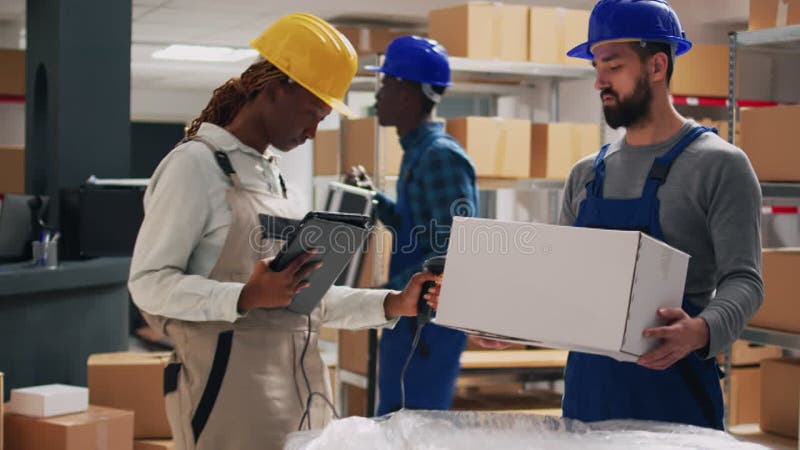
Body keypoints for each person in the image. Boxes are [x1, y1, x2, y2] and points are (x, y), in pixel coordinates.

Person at [128, 14, 442, 450]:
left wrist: (392, 304)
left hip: (302, 398)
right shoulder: (194, 167)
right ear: (275, 89)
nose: (314, 132)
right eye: (313, 112)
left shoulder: (279, 184)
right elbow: (148, 285)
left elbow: (306, 299)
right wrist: (245, 296)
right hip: (226, 404)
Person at [476, 0, 763, 430]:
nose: (599, 82)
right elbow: (560, 285)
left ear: (657, 65)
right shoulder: (586, 174)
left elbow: (745, 280)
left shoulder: (720, 165)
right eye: (596, 67)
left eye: (612, 66)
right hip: (587, 405)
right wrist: (512, 324)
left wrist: (701, 330)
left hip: (674, 404)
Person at [345, 36, 479, 416]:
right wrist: (372, 199)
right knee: (394, 421)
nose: (379, 96)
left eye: (385, 85)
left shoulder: (440, 157)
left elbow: (452, 251)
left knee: (416, 428)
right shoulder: (418, 153)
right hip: (409, 318)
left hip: (429, 325)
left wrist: (381, 295)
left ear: (407, 94)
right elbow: (416, 227)